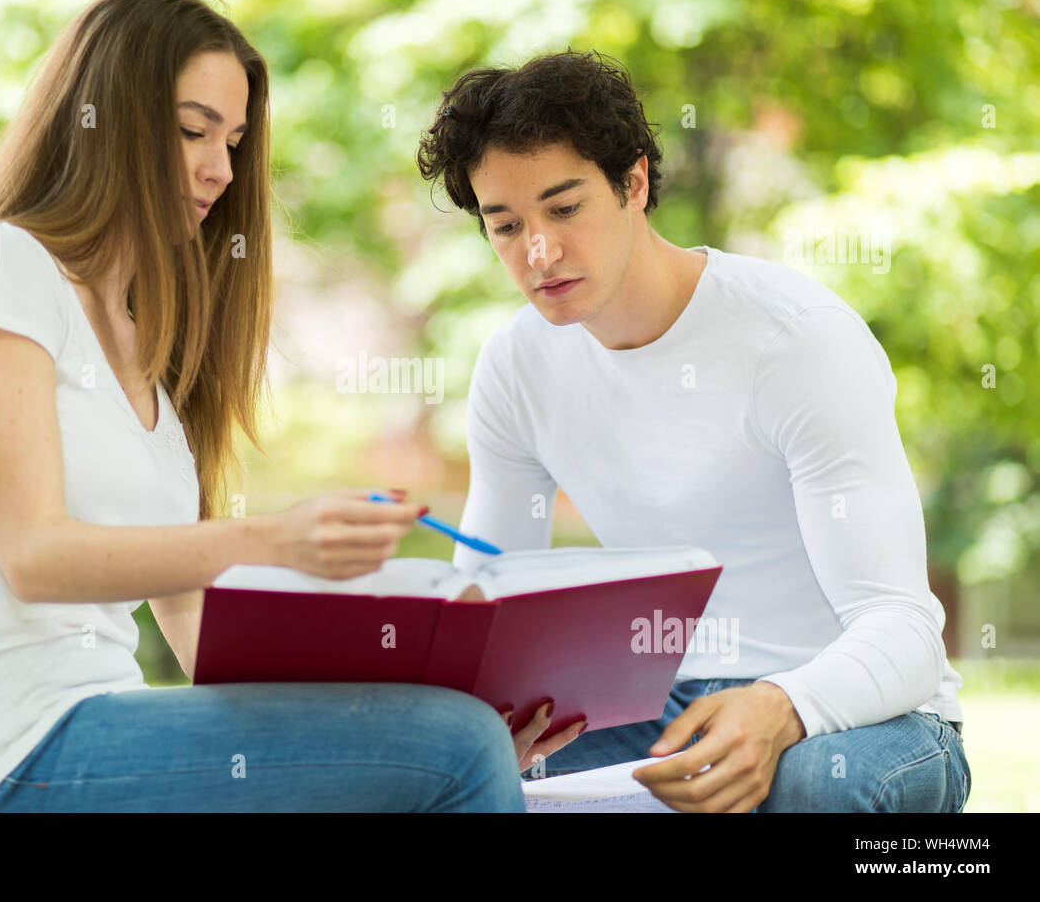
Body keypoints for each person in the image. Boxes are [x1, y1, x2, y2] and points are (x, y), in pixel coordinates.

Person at [0, 0, 527, 813]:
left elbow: (193, 625)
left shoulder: (143, 354)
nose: (221, 168)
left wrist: (401, 710)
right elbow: (32, 556)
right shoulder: (4, 267)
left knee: (455, 736)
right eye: (191, 131)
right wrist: (271, 539)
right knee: (455, 751)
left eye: (236, 140)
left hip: (99, 728)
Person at [415, 49, 970, 812]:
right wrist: (491, 717)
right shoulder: (517, 364)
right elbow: (488, 605)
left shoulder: (795, 340)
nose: (537, 253)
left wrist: (780, 707)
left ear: (633, 182)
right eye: (505, 225)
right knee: (435, 766)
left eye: (564, 208)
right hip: (661, 705)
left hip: (870, 713)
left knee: (810, 787)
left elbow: (905, 634)